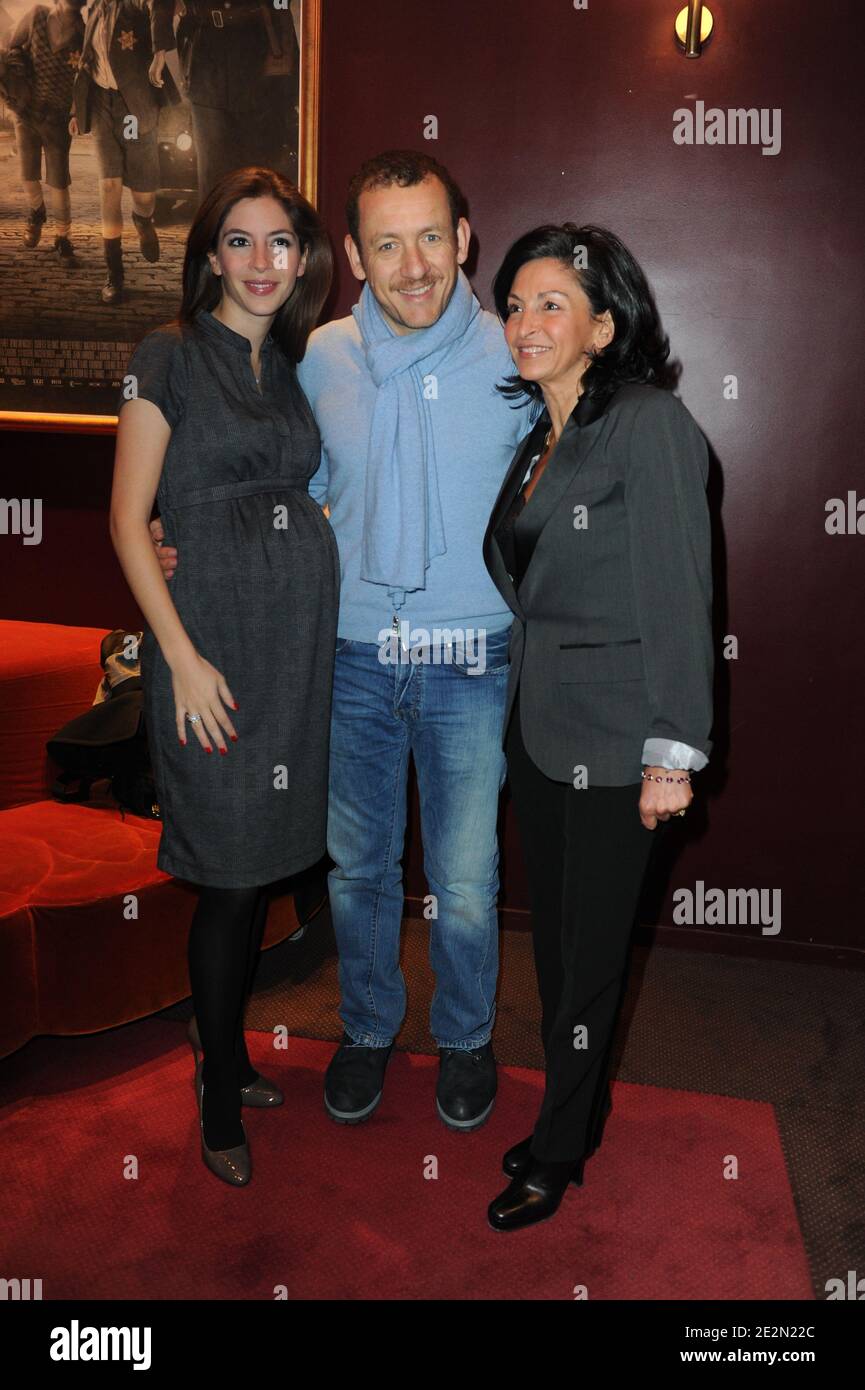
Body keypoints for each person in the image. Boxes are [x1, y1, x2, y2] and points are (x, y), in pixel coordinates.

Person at [153, 151, 532, 1132]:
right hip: (352, 654)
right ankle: (366, 1032)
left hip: (467, 658)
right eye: (387, 243)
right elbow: (287, 488)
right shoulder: (317, 357)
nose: (413, 265)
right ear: (357, 255)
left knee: (463, 878)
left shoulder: (515, 354)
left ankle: (462, 1040)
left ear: (464, 241)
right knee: (357, 872)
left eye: (431, 237)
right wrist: (175, 539)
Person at [483, 223, 714, 1232]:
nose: (526, 323)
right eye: (516, 303)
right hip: (538, 731)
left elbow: (678, 593)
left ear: (603, 324)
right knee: (558, 952)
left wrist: (673, 749)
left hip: (622, 747)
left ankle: (561, 1145)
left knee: (587, 962)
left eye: (551, 305)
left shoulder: (649, 425)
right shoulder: (541, 437)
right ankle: (573, 1107)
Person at [110, 166, 338, 1187]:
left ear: (301, 259)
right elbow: (127, 519)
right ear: (208, 253)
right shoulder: (167, 354)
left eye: (278, 242)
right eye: (239, 241)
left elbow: (289, 487)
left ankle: (231, 1048)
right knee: (232, 876)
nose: (260, 262)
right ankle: (212, 1093)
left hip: (292, 651)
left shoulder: (288, 363)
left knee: (262, 873)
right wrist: (182, 659)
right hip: (211, 651)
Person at [71, 0, 180, 303]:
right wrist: (75, 110)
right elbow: (86, 62)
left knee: (143, 195)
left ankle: (142, 219)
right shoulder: (92, 11)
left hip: (134, 107)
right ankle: (114, 274)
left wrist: (159, 54)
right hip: (102, 106)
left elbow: (159, 6)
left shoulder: (132, 4)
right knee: (109, 187)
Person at [176, 0, 300, 201]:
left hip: (260, 65)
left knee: (260, 178)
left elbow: (281, 5)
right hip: (207, 66)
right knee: (213, 182)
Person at [5, 0, 85, 267]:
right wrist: (19, 85)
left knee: (59, 181)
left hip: (58, 118)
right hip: (26, 112)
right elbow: (12, 47)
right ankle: (37, 211)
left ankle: (63, 239)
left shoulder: (82, 32)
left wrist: (75, 113)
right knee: (28, 176)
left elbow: (83, 77)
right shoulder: (36, 15)